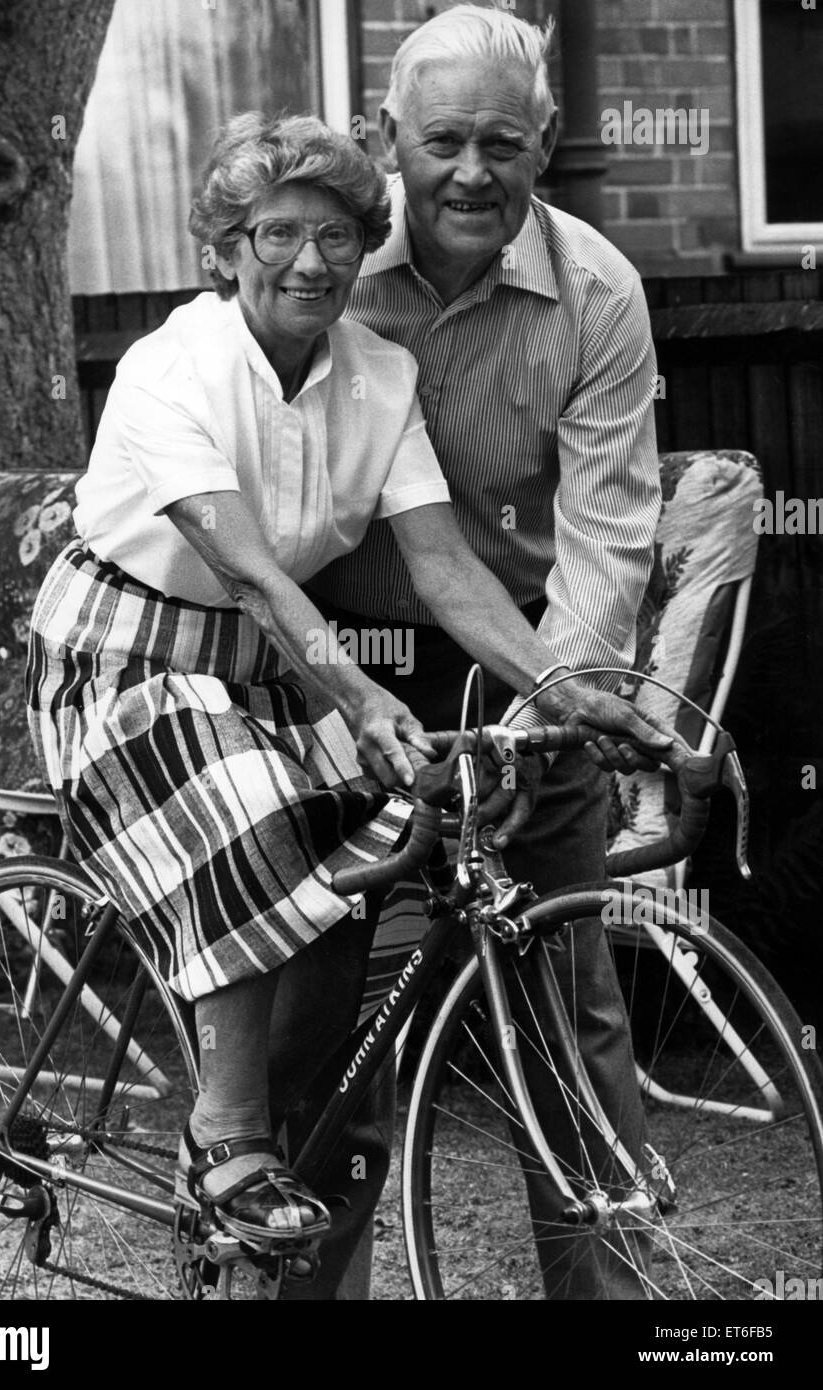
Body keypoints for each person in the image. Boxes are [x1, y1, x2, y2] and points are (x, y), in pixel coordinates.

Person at [26, 111, 668, 1296]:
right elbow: (257, 577)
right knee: (255, 793)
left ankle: (293, 1172)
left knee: (373, 825)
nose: (311, 262)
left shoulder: (380, 374)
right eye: (277, 233)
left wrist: (572, 686)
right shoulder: (172, 366)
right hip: (118, 659)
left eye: (336, 235)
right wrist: (362, 694)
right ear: (224, 250)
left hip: (262, 668)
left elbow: (444, 568)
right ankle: (226, 1130)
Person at [306, 5, 664, 1299]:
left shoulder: (598, 292)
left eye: (499, 141)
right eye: (441, 139)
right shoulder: (321, 272)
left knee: (571, 1040)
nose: (469, 170)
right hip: (339, 684)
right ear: (387, 139)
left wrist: (547, 712)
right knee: (331, 1036)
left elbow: (609, 535)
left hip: (524, 672)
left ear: (546, 143)